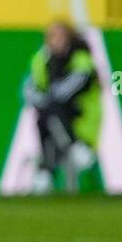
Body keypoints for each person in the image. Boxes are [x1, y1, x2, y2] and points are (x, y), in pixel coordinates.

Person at [24, 20, 102, 194]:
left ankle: (48, 170)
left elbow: (68, 91)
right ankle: (71, 150)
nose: (56, 40)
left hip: (82, 116)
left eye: (61, 36)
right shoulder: (41, 60)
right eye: (52, 36)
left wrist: (46, 98)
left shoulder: (81, 58)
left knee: (50, 109)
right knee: (44, 116)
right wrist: (44, 99)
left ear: (69, 38)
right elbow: (29, 90)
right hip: (55, 119)